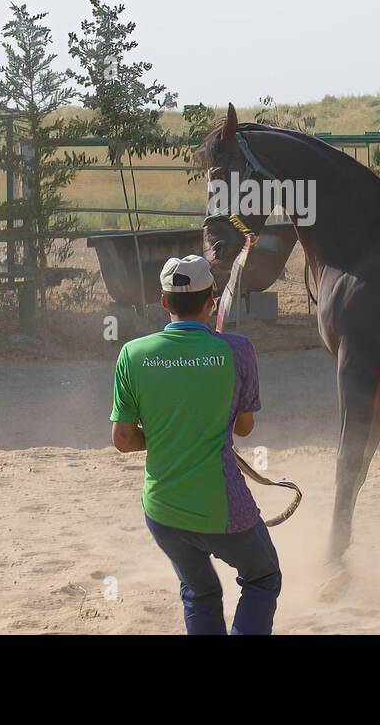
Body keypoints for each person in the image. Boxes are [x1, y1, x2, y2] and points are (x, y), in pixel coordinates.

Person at [110, 254, 282, 635]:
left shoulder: (132, 354)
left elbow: (121, 439)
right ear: (211, 302)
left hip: (164, 512)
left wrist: (165, 433)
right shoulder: (238, 350)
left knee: (200, 591)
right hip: (226, 510)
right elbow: (245, 428)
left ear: (164, 301)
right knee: (263, 576)